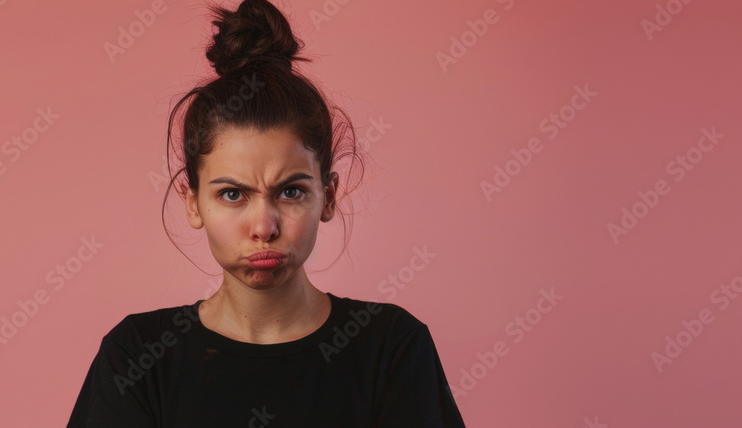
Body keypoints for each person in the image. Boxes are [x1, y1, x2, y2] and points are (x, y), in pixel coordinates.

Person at [67, 0, 465, 426]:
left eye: (291, 191)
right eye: (233, 195)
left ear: (328, 197)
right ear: (193, 201)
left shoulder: (391, 347)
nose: (264, 227)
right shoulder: (138, 357)